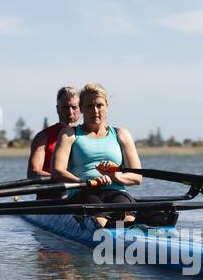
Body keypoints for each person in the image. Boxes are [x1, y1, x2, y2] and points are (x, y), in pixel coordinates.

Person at [49, 82, 144, 227]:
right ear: (81, 109)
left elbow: (137, 177)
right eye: (89, 106)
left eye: (99, 105)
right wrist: (85, 183)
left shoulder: (122, 134)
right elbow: (57, 171)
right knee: (101, 221)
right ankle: (108, 234)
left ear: (107, 106)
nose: (95, 110)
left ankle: (128, 236)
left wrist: (117, 176)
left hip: (115, 191)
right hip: (83, 192)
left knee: (128, 218)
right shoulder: (69, 134)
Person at [27, 86, 81, 179]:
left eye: (74, 107)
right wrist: (63, 177)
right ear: (57, 109)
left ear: (81, 109)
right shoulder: (43, 137)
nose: (70, 111)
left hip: (83, 190)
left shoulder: (88, 134)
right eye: (65, 107)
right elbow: (33, 173)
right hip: (54, 190)